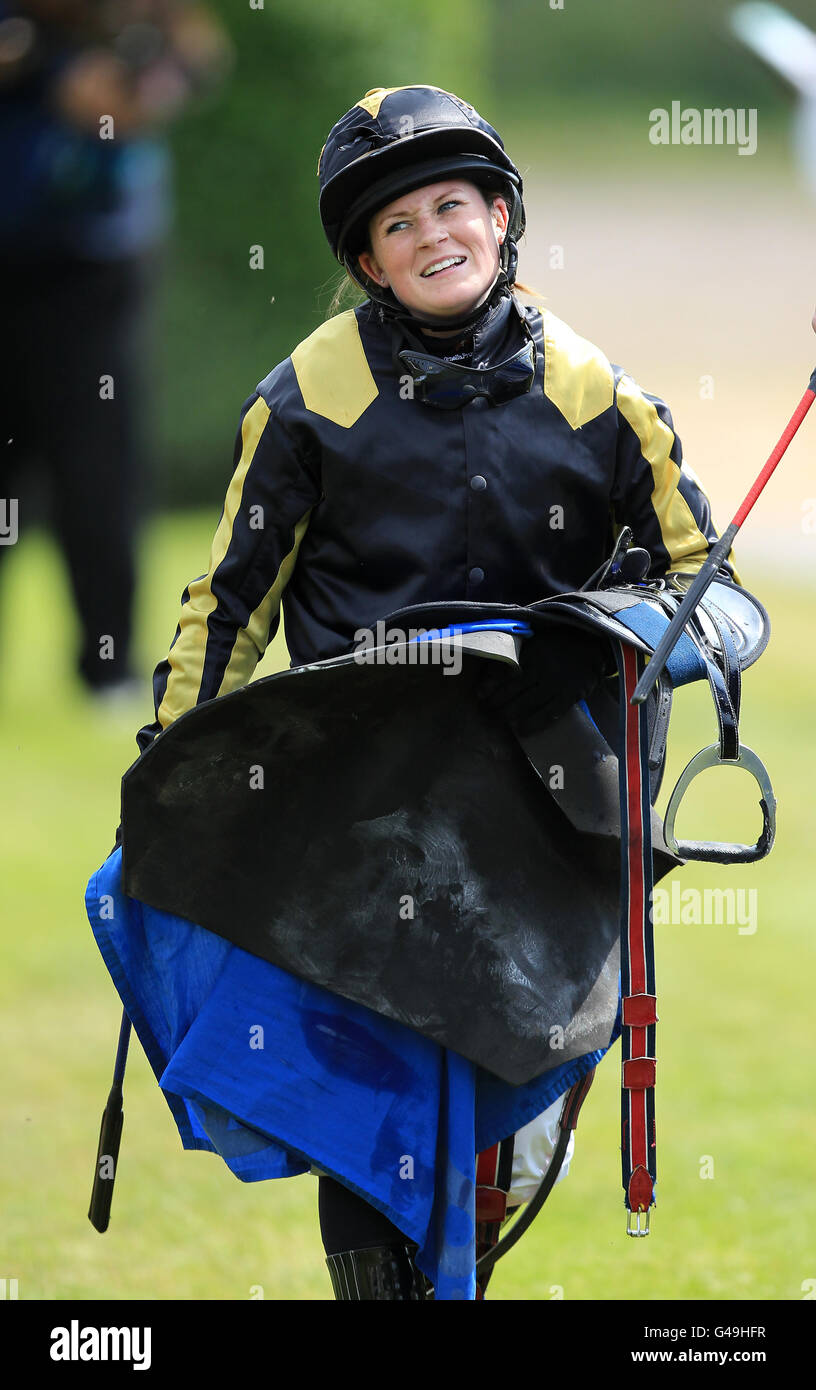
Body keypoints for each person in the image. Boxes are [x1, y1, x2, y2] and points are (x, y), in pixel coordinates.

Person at [112, 84, 737, 1299]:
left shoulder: (600, 393)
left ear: (501, 217)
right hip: (363, 806)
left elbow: (704, 591)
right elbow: (226, 604)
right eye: (397, 225)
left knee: (513, 1109)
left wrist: (617, 629)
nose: (432, 236)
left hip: (547, 814)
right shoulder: (304, 398)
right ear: (366, 262)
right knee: (366, 1086)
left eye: (453, 205)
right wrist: (171, 761)